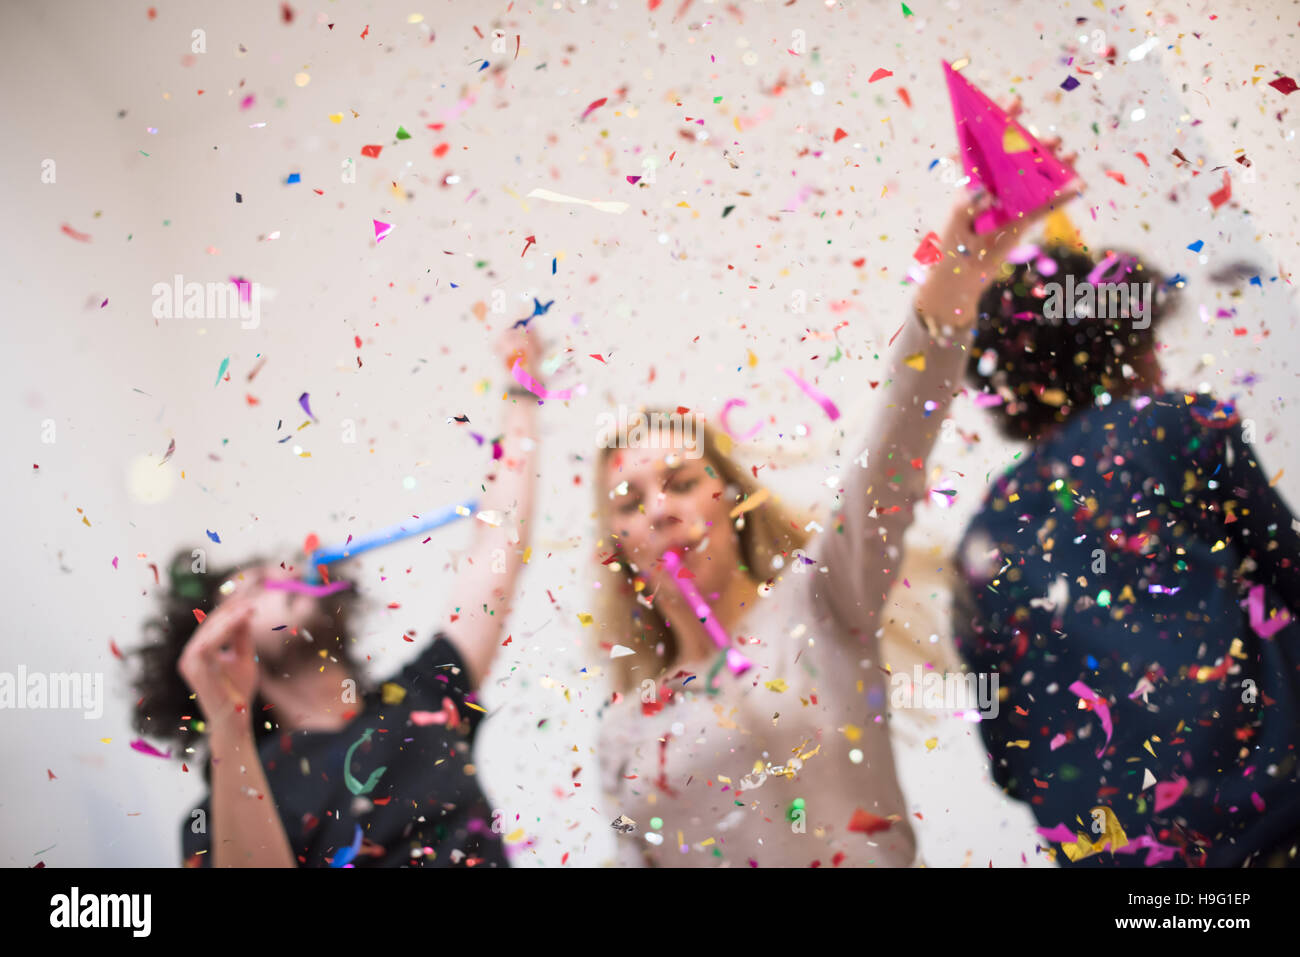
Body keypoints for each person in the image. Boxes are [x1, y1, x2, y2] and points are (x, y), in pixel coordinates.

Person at [590, 133, 1082, 866]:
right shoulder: (622, 731)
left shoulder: (819, 601)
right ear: (618, 546)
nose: (661, 508)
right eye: (633, 499)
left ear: (728, 498)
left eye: (683, 481)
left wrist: (955, 280)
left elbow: (889, 455)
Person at [129, 327, 544, 867]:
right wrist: (228, 723)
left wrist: (522, 388)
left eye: (277, 566)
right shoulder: (225, 808)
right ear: (220, 639)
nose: (283, 572)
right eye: (250, 587)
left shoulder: (420, 700)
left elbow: (498, 541)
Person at [951, 239, 1300, 867]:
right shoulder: (1172, 427)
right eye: (1148, 346)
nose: (1159, 370)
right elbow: (1292, 571)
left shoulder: (981, 543)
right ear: (1118, 348)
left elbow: (1003, 752)